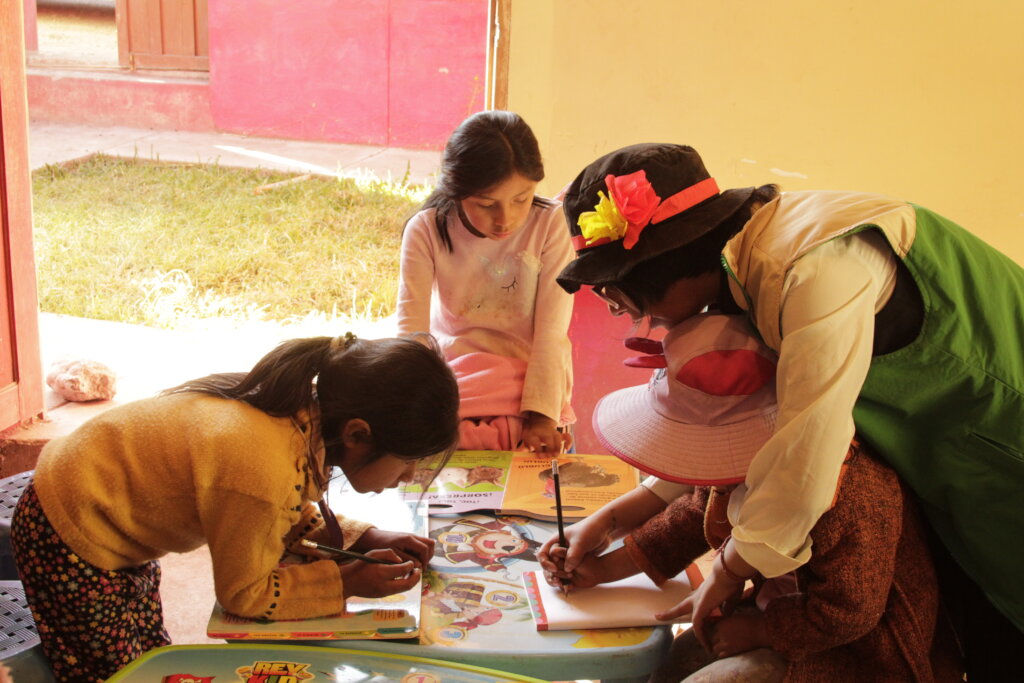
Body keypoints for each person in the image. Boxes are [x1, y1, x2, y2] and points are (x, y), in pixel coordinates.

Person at [553, 143, 1024, 680]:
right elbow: (716, 453)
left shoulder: (809, 271)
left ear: (655, 267)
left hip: (1002, 439)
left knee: (1003, 620)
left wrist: (727, 574)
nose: (633, 318)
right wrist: (614, 520)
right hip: (944, 447)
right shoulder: (742, 275)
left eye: (619, 297)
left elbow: (805, 456)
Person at [10, 332, 460, 682]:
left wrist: (364, 537)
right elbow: (246, 594)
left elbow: (282, 509)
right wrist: (344, 582)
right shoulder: (258, 464)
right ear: (359, 434)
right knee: (112, 672)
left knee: (150, 654)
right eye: (407, 462)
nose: (406, 478)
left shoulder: (298, 422)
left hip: (112, 512)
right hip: (72, 529)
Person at [540, 313, 961, 682]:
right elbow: (692, 518)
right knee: (669, 663)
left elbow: (851, 613)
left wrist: (763, 632)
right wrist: (597, 570)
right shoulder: (740, 463)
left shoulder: (859, 493)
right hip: (780, 618)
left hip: (863, 657)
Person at [397, 110, 575, 453]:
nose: (505, 219)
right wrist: (413, 412)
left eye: (521, 199)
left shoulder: (551, 223)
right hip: (453, 385)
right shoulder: (427, 229)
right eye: (486, 204)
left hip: (531, 388)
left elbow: (551, 333)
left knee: (526, 468)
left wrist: (541, 418)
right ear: (456, 190)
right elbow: (412, 338)